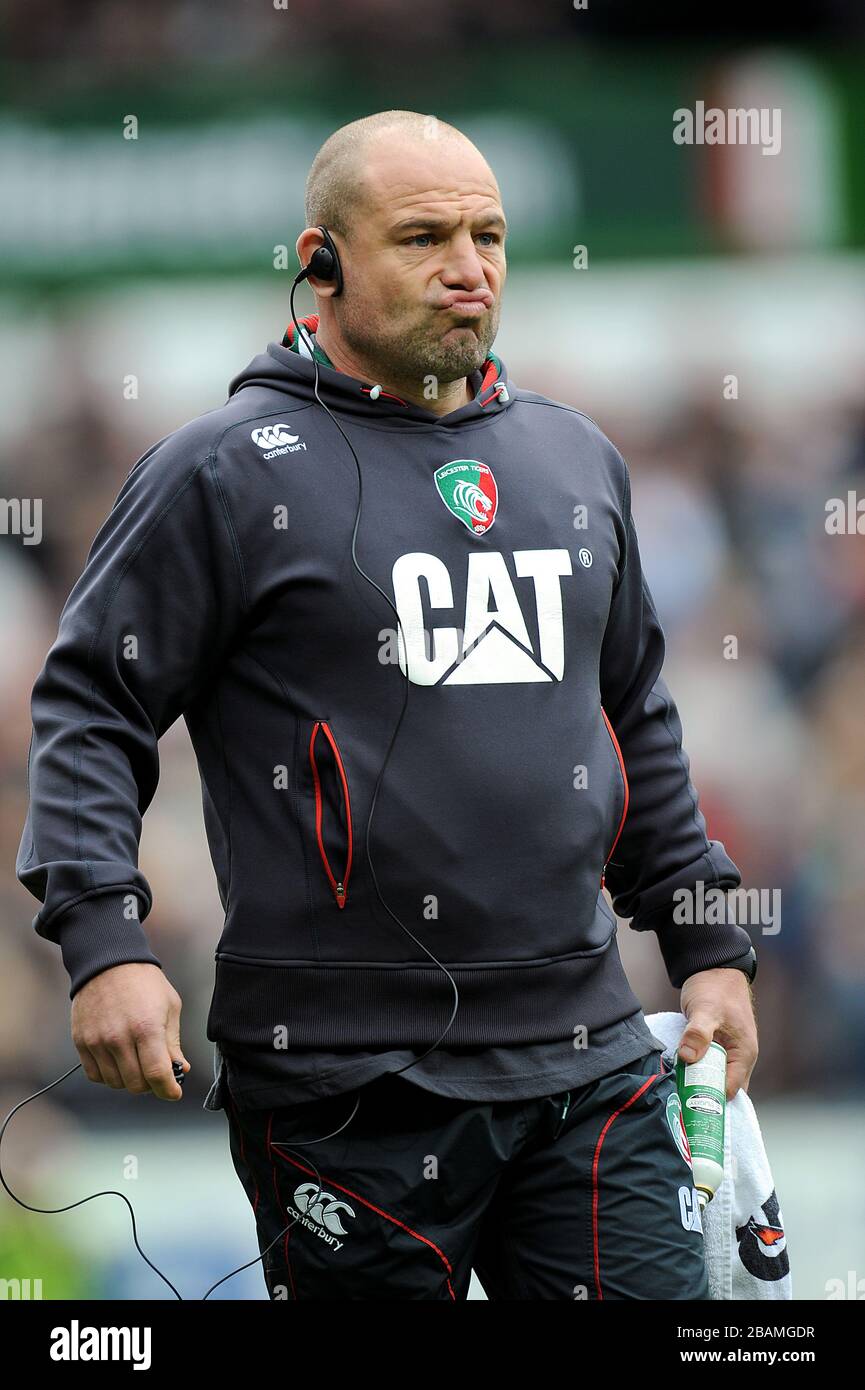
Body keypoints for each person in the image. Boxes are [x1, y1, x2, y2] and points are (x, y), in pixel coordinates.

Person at [16, 110, 758, 1300]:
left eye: (488, 236)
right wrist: (105, 943)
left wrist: (707, 942)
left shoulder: (575, 459)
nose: (468, 267)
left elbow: (632, 723)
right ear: (321, 263)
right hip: (340, 1078)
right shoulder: (220, 470)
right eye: (423, 238)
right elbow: (91, 709)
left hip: (587, 1053)